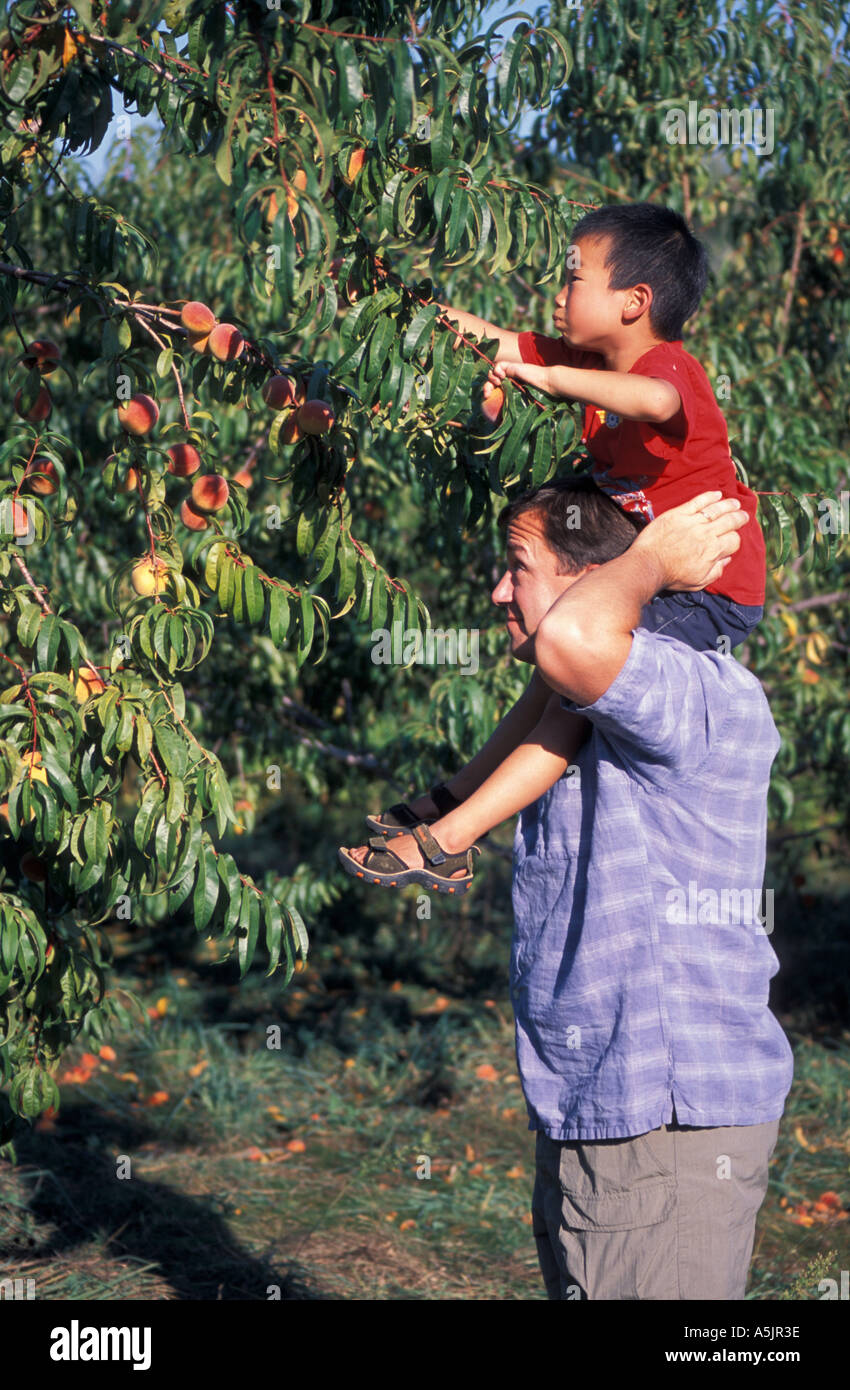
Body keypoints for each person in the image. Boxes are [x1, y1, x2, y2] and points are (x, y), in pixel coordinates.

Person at [340, 480, 794, 1299]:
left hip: (666, 1118)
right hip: (604, 1105)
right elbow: (556, 680)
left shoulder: (686, 689)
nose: (498, 590)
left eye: (518, 566)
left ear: (596, 582)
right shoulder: (588, 709)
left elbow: (578, 639)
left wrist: (650, 559)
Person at [341, 204, 767, 888]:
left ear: (635, 302)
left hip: (712, 593)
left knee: (568, 691)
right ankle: (451, 799)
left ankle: (452, 838)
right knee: (548, 679)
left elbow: (655, 402)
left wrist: (551, 379)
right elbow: (494, 343)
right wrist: (403, 308)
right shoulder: (591, 362)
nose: (558, 295)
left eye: (573, 281)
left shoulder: (668, 367)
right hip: (664, 580)